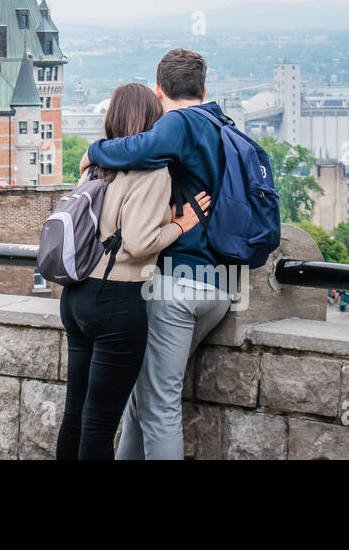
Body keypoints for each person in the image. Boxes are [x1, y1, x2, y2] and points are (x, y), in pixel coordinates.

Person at [78, 48, 233, 460]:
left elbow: (140, 151)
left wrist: (95, 151)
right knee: (140, 400)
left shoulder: (180, 124)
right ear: (205, 87)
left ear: (160, 92)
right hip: (220, 284)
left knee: (159, 405)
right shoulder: (223, 125)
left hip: (176, 284)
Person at [56, 83, 210, 460]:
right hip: (117, 299)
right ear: (152, 122)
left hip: (76, 295)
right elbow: (139, 242)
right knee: (100, 422)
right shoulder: (152, 173)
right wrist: (181, 224)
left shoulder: (95, 165)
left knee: (74, 413)